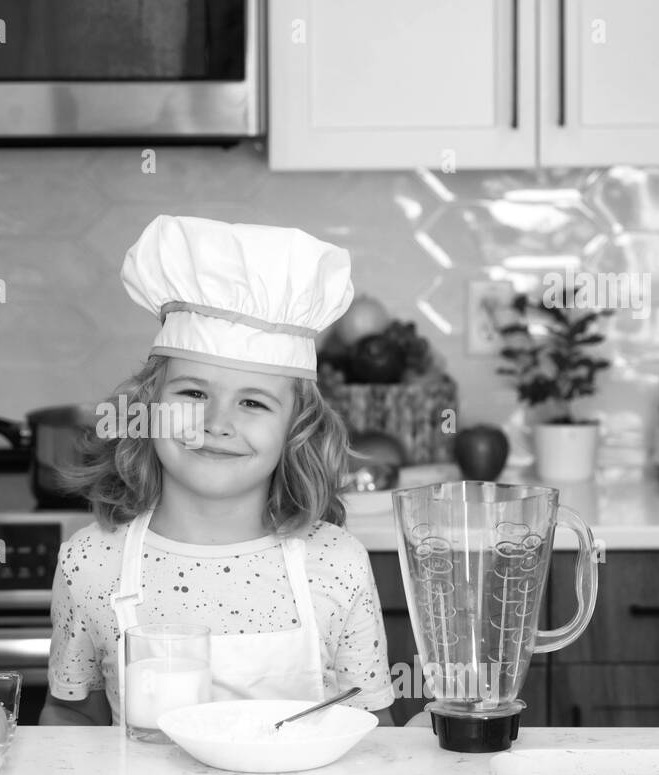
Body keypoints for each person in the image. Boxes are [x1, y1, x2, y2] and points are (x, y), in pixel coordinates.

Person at [40, 215, 395, 727]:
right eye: (193, 392)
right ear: (148, 406)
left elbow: (370, 731)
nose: (217, 423)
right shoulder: (91, 562)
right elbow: (72, 717)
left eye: (253, 402)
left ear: (297, 428)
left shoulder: (337, 563)